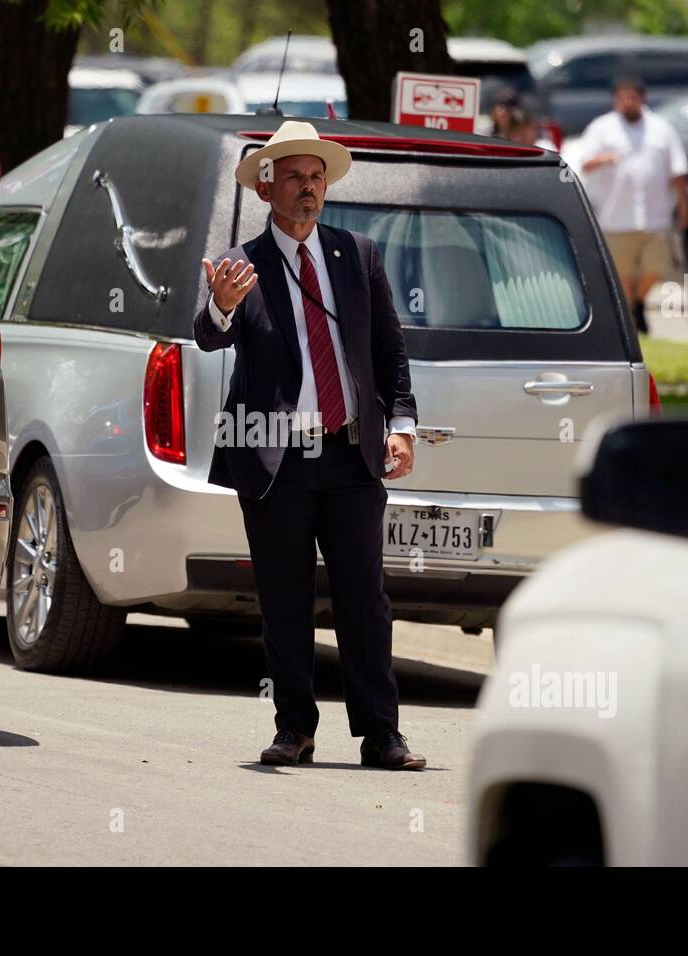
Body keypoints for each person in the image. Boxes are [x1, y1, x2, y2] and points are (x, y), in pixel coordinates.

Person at [193, 120, 427, 771]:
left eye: (316, 176)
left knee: (364, 599)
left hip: (351, 456)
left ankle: (382, 734)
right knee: (284, 600)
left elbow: (389, 352)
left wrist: (401, 425)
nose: (308, 187)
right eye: (295, 176)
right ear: (268, 186)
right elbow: (209, 336)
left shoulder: (360, 255)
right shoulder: (242, 266)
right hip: (276, 462)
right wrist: (219, 307)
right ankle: (293, 727)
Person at [580, 75, 688, 333]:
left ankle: (638, 304)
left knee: (656, 270)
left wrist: (684, 204)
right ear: (616, 101)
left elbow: (678, 170)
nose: (628, 102)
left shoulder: (661, 128)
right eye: (622, 97)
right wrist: (603, 159)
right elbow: (584, 163)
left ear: (642, 98)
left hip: (655, 217)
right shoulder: (601, 128)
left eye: (633, 96)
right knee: (623, 273)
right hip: (616, 217)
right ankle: (632, 314)